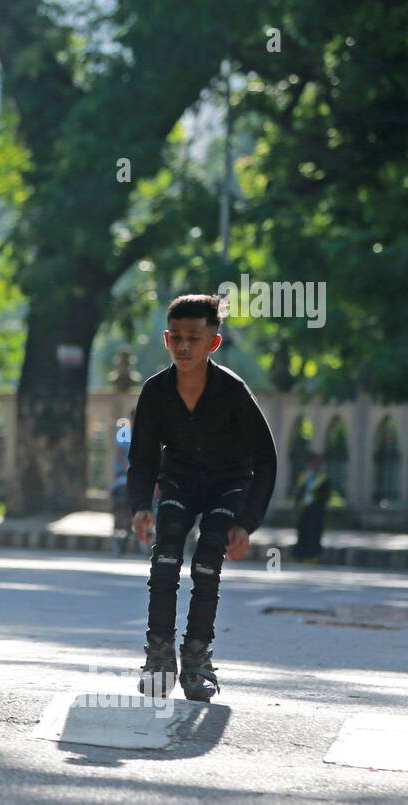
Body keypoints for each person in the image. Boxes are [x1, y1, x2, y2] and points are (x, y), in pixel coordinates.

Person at [128, 294, 277, 701]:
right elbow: (141, 457)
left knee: (208, 564)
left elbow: (265, 459)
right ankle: (158, 657)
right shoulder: (156, 391)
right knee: (165, 560)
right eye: (175, 336)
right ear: (165, 339)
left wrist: (247, 523)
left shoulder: (232, 391)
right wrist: (141, 505)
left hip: (227, 485)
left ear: (213, 342)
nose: (184, 346)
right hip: (178, 482)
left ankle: (197, 659)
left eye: (194, 337)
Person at [292, 453, 331, 561]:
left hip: (316, 511)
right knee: (302, 533)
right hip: (304, 510)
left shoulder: (322, 479)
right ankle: (299, 556)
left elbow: (326, 496)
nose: (315, 465)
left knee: (314, 534)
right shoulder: (304, 476)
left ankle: (313, 556)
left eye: (318, 463)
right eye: (314, 462)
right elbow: (298, 492)